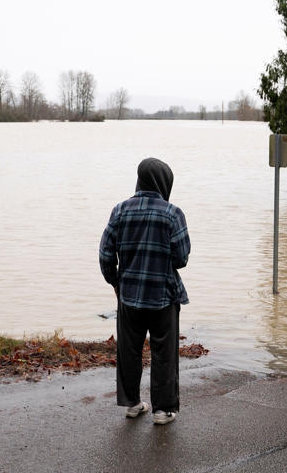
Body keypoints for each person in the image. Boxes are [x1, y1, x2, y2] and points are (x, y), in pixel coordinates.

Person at [99, 157, 190, 425]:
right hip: (163, 297)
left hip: (129, 296)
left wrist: (116, 282)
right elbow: (181, 258)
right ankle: (163, 411)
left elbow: (105, 254)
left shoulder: (119, 210)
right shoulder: (173, 213)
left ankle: (132, 404)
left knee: (129, 351)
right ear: (164, 182)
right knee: (164, 353)